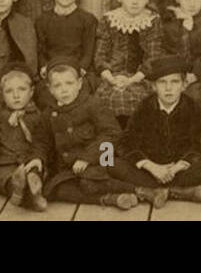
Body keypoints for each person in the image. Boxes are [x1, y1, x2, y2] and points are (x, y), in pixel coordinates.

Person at [39, 59, 141, 209]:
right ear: (50, 89)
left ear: (79, 84)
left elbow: (112, 133)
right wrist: (36, 158)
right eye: (57, 86)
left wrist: (87, 158)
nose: (64, 90)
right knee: (55, 189)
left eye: (69, 83)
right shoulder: (49, 113)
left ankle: (139, 191)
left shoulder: (92, 104)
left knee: (89, 182)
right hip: (70, 166)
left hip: (102, 157)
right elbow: (41, 140)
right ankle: (112, 199)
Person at [123, 54, 201, 205]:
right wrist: (152, 167)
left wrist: (175, 168)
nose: (168, 88)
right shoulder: (144, 107)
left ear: (184, 85)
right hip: (151, 169)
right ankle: (181, 191)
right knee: (110, 162)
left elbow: (198, 144)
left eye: (175, 82)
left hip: (179, 170)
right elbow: (128, 141)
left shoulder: (193, 108)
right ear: (154, 86)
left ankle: (160, 191)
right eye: (162, 82)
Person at [94, 0, 164, 121]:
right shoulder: (109, 20)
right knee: (111, 99)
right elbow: (100, 55)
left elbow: (153, 57)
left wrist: (131, 80)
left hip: (140, 77)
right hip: (112, 77)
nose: (135, 1)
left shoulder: (152, 21)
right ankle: (111, 141)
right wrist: (112, 79)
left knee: (138, 100)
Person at [0, 67, 51, 211]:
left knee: (37, 171)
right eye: (9, 91)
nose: (16, 95)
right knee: (3, 179)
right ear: (2, 95)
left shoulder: (39, 116)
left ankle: (32, 187)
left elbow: (45, 142)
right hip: (5, 163)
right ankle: (20, 190)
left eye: (22, 90)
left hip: (29, 160)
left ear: (31, 92)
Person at [35, 0, 98, 105]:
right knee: (45, 96)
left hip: (79, 72)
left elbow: (88, 53)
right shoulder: (42, 21)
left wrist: (76, 73)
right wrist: (45, 67)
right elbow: (40, 50)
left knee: (80, 97)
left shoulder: (88, 20)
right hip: (53, 72)